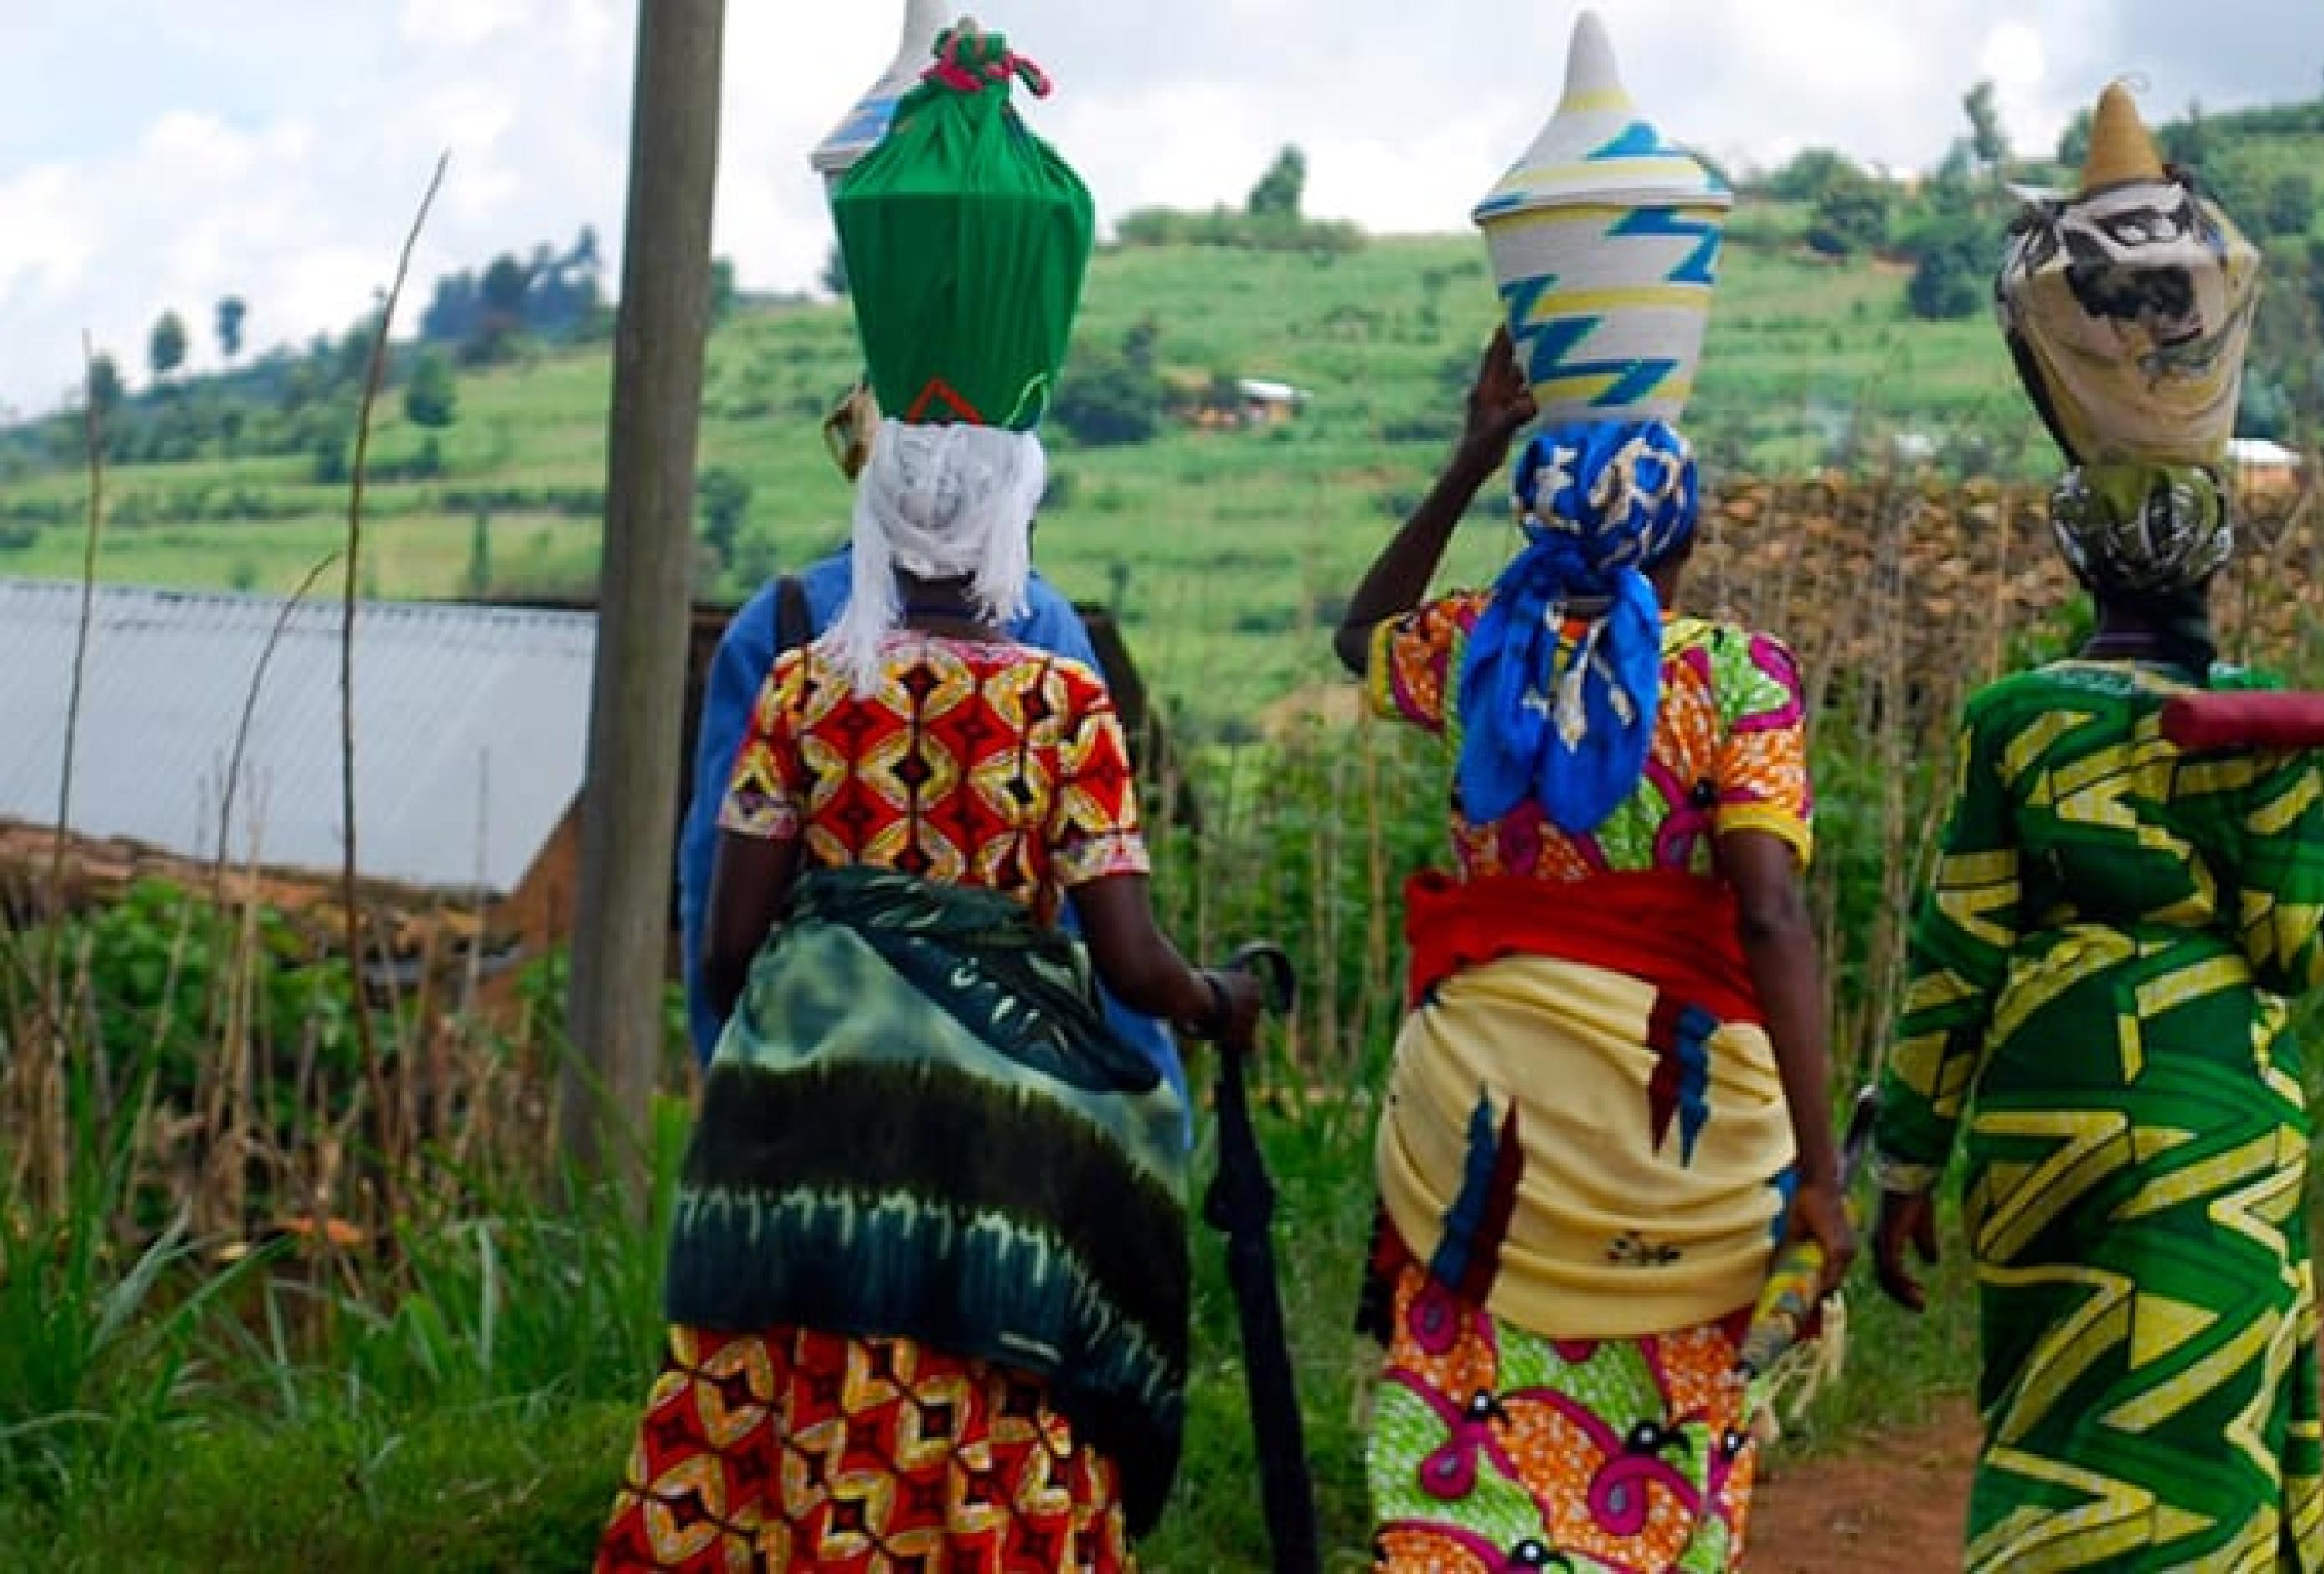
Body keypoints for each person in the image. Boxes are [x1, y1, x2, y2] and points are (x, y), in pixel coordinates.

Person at [595, 26, 1256, 1571]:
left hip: (807, 1132)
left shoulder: (798, 669)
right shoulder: (1057, 685)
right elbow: (1130, 965)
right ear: (1017, 498)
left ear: (870, 486)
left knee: (787, 1428)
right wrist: (1188, 1036)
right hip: (992, 1171)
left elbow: (722, 934)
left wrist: (769, 1080)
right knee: (985, 1430)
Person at [1868, 85, 2324, 1573]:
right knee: (2196, 1441)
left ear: (2078, 543)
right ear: (2214, 546)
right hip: (2212, 1128)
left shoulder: (2017, 718)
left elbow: (1954, 960)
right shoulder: (2265, 728)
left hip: (2042, 1124)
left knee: (2060, 1433)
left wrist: (1904, 1171)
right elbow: (2302, 941)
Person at [1332, 323, 1856, 1572]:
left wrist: (1470, 455)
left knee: (1465, 1404)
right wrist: (1825, 1170)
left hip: (1480, 1132)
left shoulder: (1476, 652)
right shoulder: (1737, 678)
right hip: (1679, 1138)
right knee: (1668, 1430)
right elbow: (1772, 911)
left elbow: (1361, 635)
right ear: (1680, 541)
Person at [677, 394, 1189, 1148]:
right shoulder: (1053, 656)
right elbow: (1100, 932)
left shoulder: (783, 648)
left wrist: (740, 1072)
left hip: (821, 1088)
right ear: (1014, 502)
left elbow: (718, 914)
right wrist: (1152, 1112)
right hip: (1006, 1108)